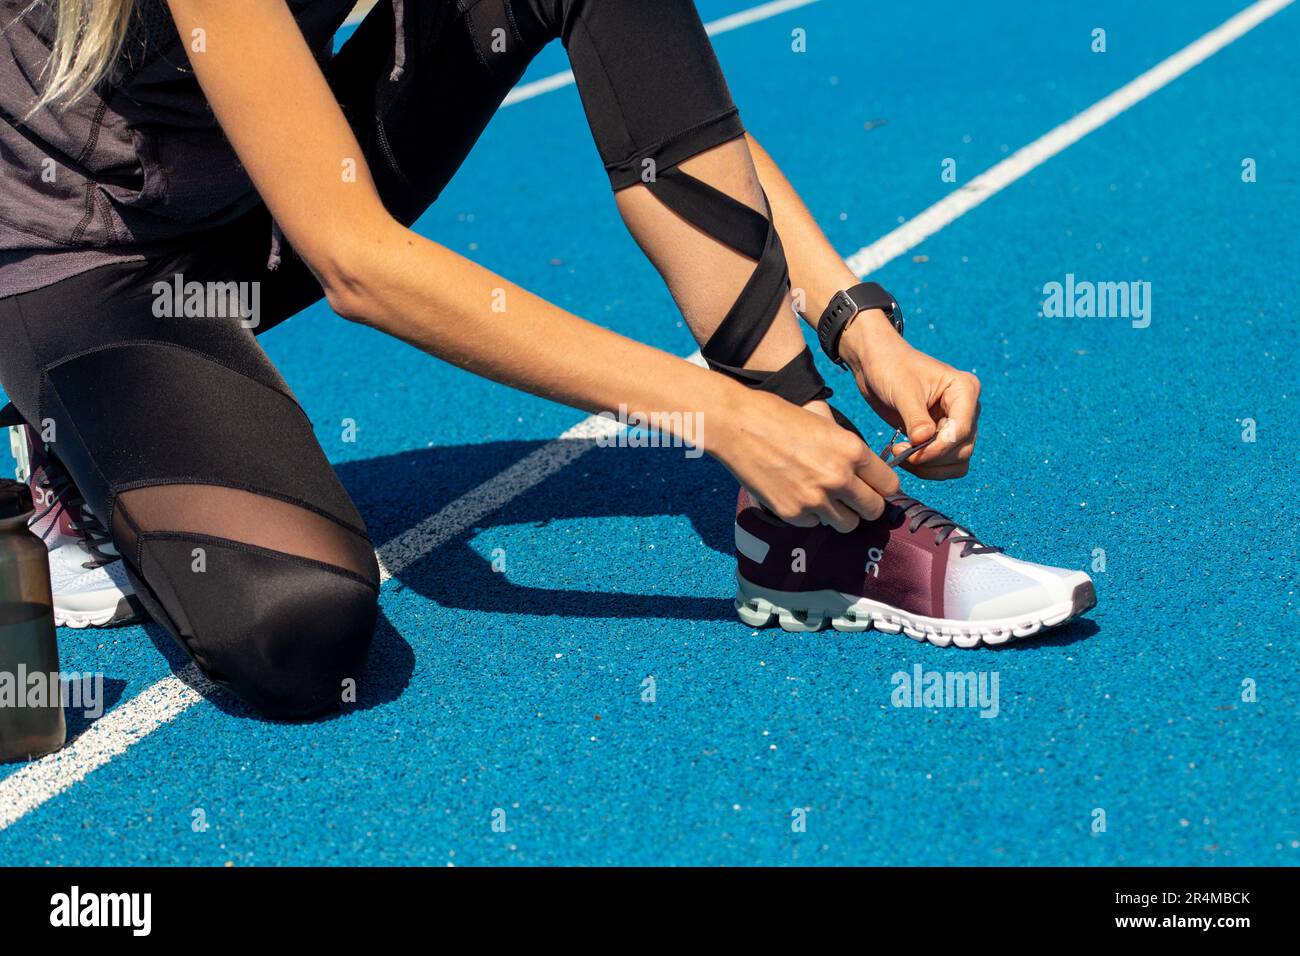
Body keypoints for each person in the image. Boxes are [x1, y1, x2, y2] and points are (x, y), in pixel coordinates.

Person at [0, 0, 1094, 718]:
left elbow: (668, 112)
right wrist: (712, 415)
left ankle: (819, 531)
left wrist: (855, 323)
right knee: (294, 631)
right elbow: (359, 265)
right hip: (90, 254)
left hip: (258, 190)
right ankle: (66, 457)